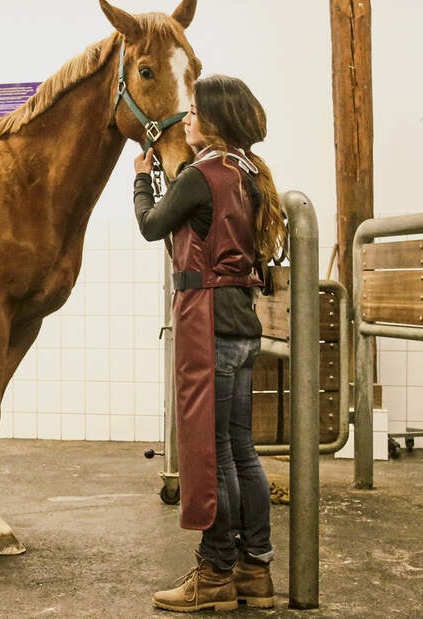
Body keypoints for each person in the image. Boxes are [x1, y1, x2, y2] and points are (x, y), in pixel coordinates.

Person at [132, 75, 285, 613]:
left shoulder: (201, 175)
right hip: (241, 323)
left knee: (210, 453)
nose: (188, 119)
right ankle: (255, 569)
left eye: (195, 112)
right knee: (240, 449)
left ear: (216, 120)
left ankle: (216, 570)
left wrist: (142, 180)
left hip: (208, 324)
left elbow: (152, 225)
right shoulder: (249, 171)